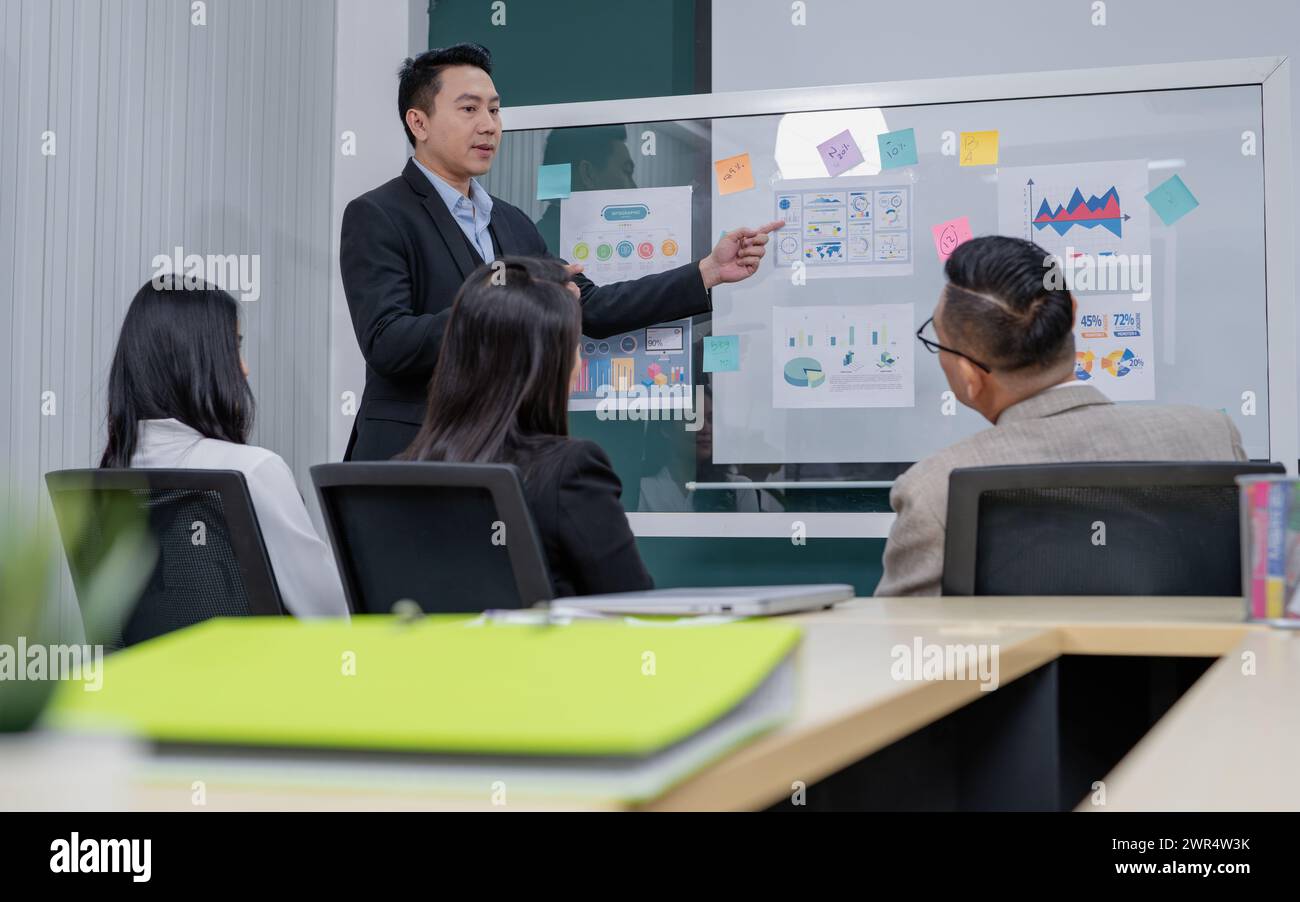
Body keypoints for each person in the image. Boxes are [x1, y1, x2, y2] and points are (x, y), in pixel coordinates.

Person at [340, 42, 781, 462]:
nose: (490, 125)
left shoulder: (510, 222)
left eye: (494, 110)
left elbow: (592, 308)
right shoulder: (378, 214)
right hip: (410, 455)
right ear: (419, 123)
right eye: (469, 109)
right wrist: (507, 304)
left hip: (498, 452)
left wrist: (706, 272)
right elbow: (387, 343)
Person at [875, 236, 1247, 597]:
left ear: (970, 379)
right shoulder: (1213, 438)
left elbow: (902, 645)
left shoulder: (933, 491)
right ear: (1073, 313)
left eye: (935, 339)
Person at [400, 257, 652, 597]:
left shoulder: (404, 475)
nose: (578, 364)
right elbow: (636, 612)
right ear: (547, 363)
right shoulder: (570, 471)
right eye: (574, 346)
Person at [100, 279, 349, 618]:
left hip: (151, 671)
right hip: (259, 670)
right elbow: (330, 618)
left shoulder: (109, 475)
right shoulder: (253, 470)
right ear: (198, 359)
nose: (244, 368)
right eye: (233, 348)